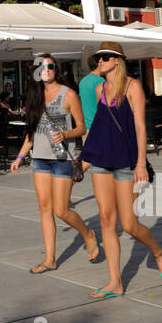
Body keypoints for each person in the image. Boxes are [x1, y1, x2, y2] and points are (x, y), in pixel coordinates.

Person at [77, 41, 162, 298]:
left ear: (118, 61)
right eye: (98, 58)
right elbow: (98, 130)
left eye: (106, 58)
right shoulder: (100, 88)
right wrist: (84, 160)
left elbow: (140, 127)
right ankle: (115, 282)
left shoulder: (133, 86)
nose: (100, 61)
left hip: (126, 163)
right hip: (101, 162)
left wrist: (141, 163)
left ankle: (158, 253)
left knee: (130, 224)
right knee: (106, 221)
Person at [9, 54, 97, 274]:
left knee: (61, 210)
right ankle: (50, 259)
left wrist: (65, 133)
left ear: (55, 69)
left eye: (50, 66)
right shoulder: (34, 97)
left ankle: (87, 234)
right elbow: (31, 132)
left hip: (61, 160)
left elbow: (81, 128)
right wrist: (20, 157)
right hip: (39, 159)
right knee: (44, 210)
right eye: (42, 66)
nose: (46, 69)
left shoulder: (68, 94)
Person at [79, 45, 116, 135]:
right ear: (99, 64)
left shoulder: (82, 81)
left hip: (86, 126)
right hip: (99, 127)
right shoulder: (101, 82)